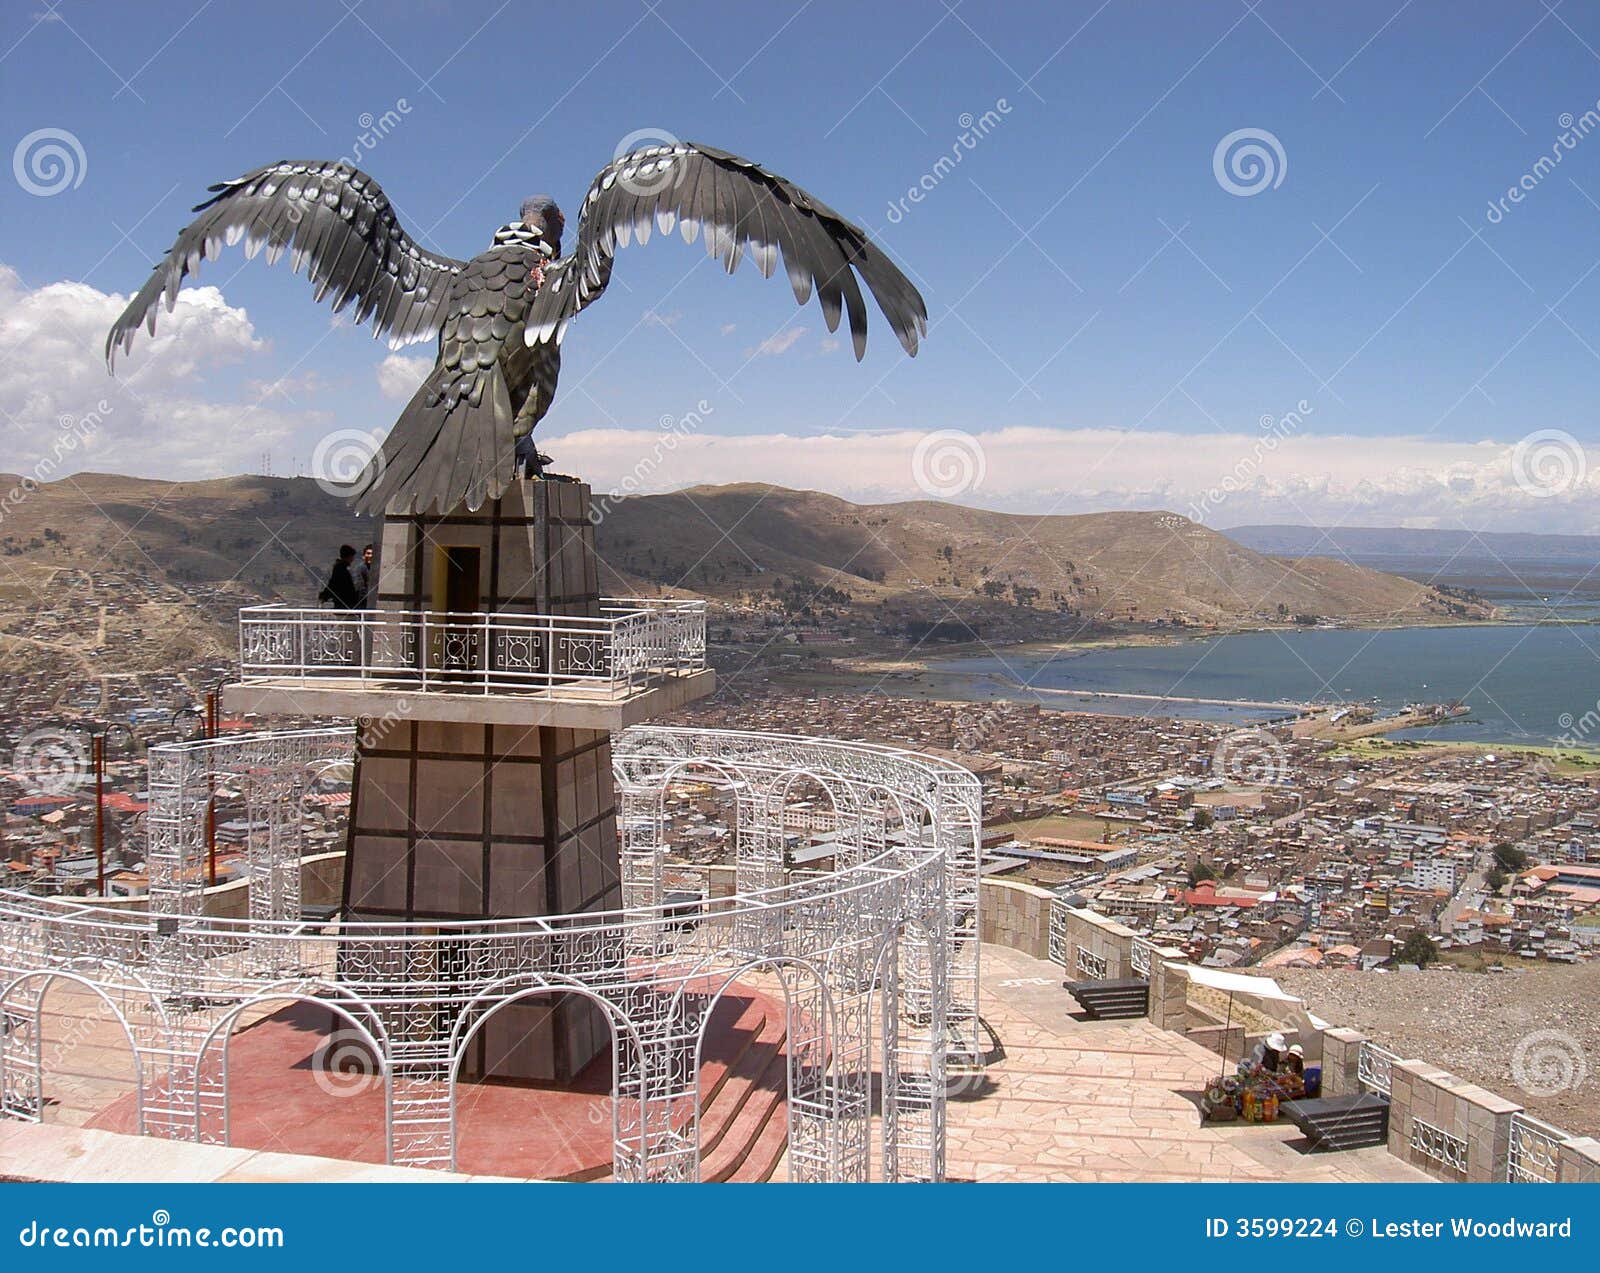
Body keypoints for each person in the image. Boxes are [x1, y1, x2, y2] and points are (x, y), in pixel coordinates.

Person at [319, 544, 360, 610]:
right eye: (352, 557)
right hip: (344, 604)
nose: (353, 559)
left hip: (345, 604)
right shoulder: (340, 569)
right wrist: (324, 596)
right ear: (349, 557)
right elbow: (333, 584)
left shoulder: (342, 568)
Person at [352, 543, 375, 608]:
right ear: (364, 556)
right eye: (368, 553)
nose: (370, 556)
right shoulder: (360, 568)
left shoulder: (376, 568)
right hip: (362, 602)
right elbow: (359, 586)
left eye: (372, 554)